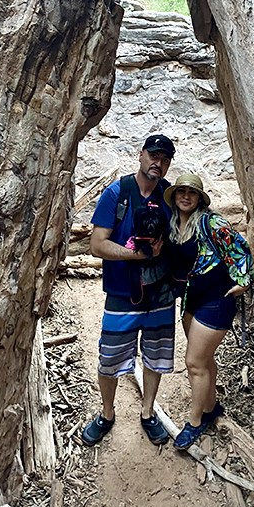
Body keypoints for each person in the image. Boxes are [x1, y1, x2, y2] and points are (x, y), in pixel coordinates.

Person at [81, 134, 176, 446]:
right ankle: (107, 413)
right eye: (154, 156)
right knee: (109, 358)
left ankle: (148, 412)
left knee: (155, 356)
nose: (158, 163)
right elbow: (97, 245)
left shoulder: (170, 197)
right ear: (141, 154)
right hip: (123, 292)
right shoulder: (117, 193)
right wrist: (136, 254)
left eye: (164, 159)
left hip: (159, 293)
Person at [165, 173, 254, 449]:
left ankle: (195, 422)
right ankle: (211, 406)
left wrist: (243, 281)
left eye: (192, 192)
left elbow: (240, 248)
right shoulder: (174, 224)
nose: (186, 196)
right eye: (181, 191)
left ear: (200, 198)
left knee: (194, 363)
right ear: (175, 195)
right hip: (192, 297)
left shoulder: (211, 222)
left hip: (217, 299)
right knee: (203, 359)